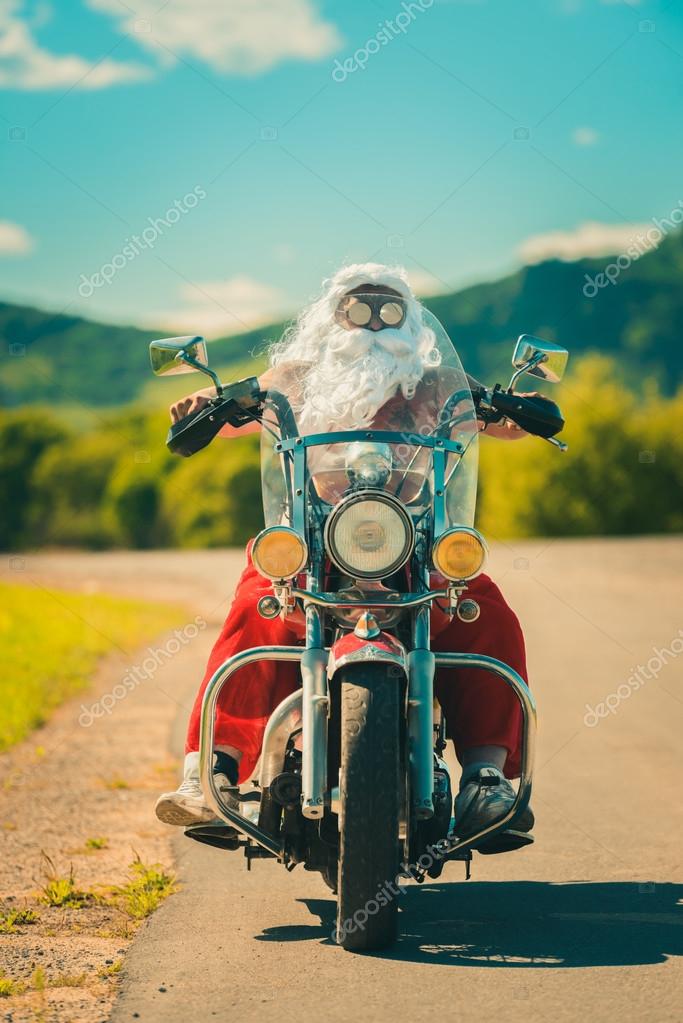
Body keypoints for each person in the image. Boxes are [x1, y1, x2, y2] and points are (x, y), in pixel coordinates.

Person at [155, 263, 536, 840]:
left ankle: (486, 781)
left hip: (416, 536)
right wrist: (204, 402)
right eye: (359, 306)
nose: (374, 321)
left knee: (483, 609)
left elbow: (501, 424)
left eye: (390, 307)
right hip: (313, 536)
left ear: (411, 318)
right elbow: (235, 416)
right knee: (255, 606)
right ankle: (212, 774)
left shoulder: (436, 384)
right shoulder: (293, 378)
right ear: (332, 314)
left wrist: (520, 409)